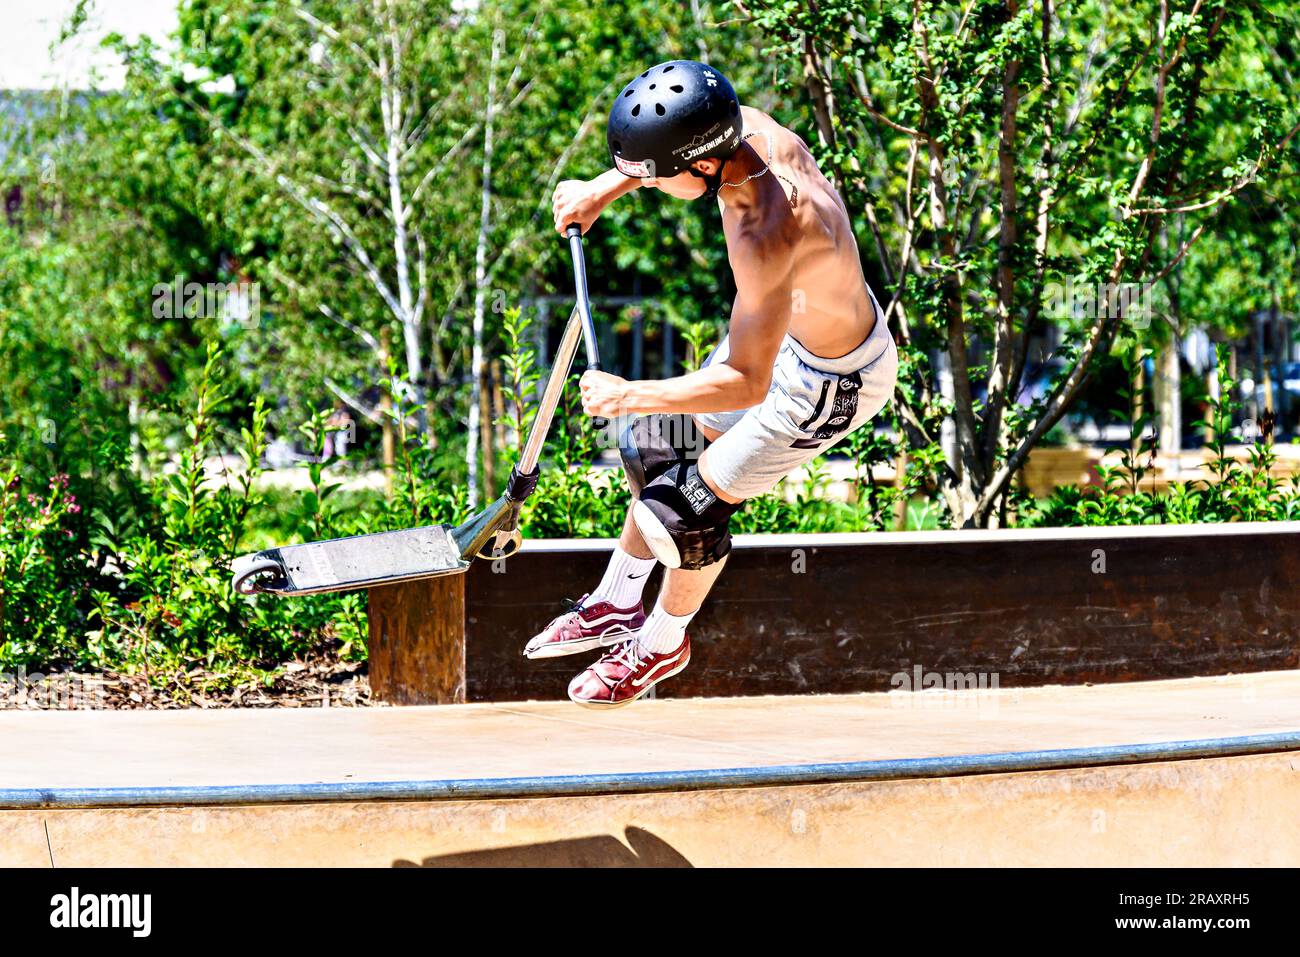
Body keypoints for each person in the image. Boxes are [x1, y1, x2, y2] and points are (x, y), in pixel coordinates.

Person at [528, 60, 897, 708]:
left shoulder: (765, 231)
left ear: (697, 169)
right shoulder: (743, 130)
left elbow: (747, 383)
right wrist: (600, 189)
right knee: (656, 446)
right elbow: (677, 139)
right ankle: (615, 601)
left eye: (653, 177)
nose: (650, 186)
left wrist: (627, 391)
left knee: (687, 511)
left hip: (828, 382)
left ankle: (661, 641)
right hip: (790, 328)